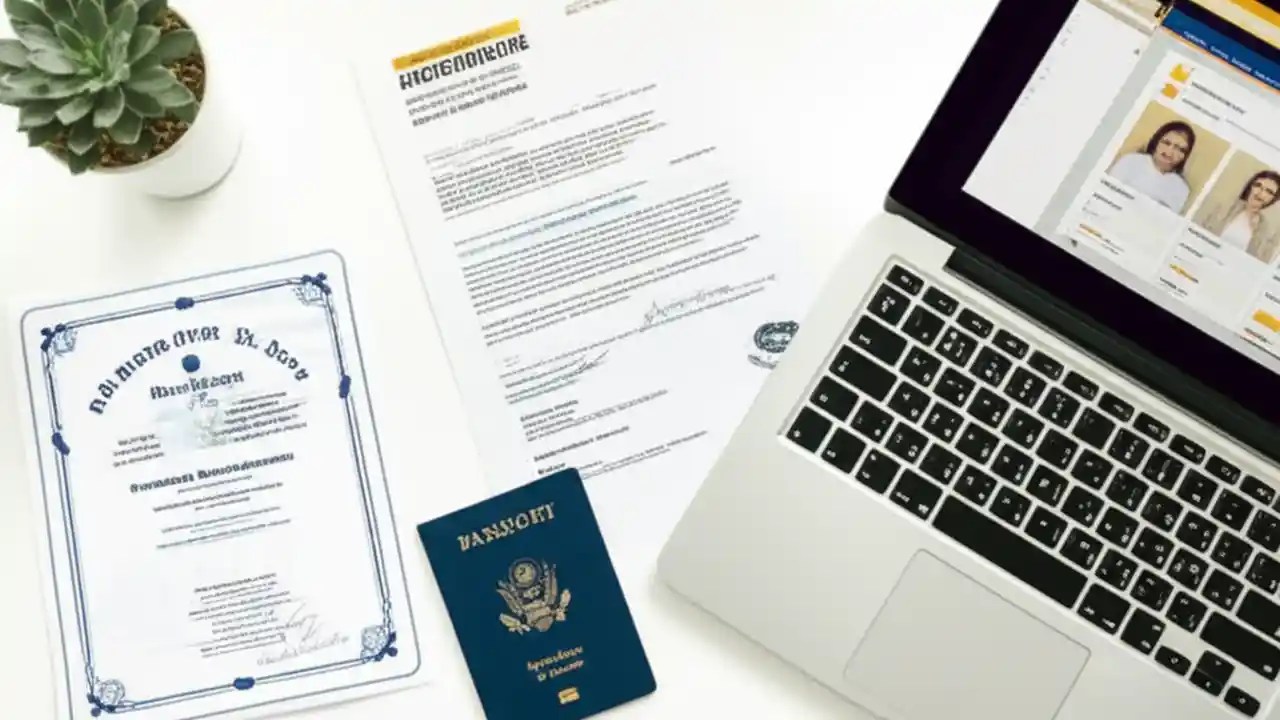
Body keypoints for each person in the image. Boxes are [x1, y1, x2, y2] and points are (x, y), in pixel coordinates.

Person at [1108, 121, 1197, 212]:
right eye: (1166, 143)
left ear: (1185, 156)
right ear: (1156, 142)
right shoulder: (1130, 161)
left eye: (1180, 149)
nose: (1170, 152)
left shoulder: (1182, 189)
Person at [1198, 169, 1280, 263]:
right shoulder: (1224, 206)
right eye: (1258, 186)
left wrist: (1255, 233)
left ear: (1273, 199)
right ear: (1250, 186)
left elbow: (1255, 262)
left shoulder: (1265, 229)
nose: (1260, 193)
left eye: (1269, 192)